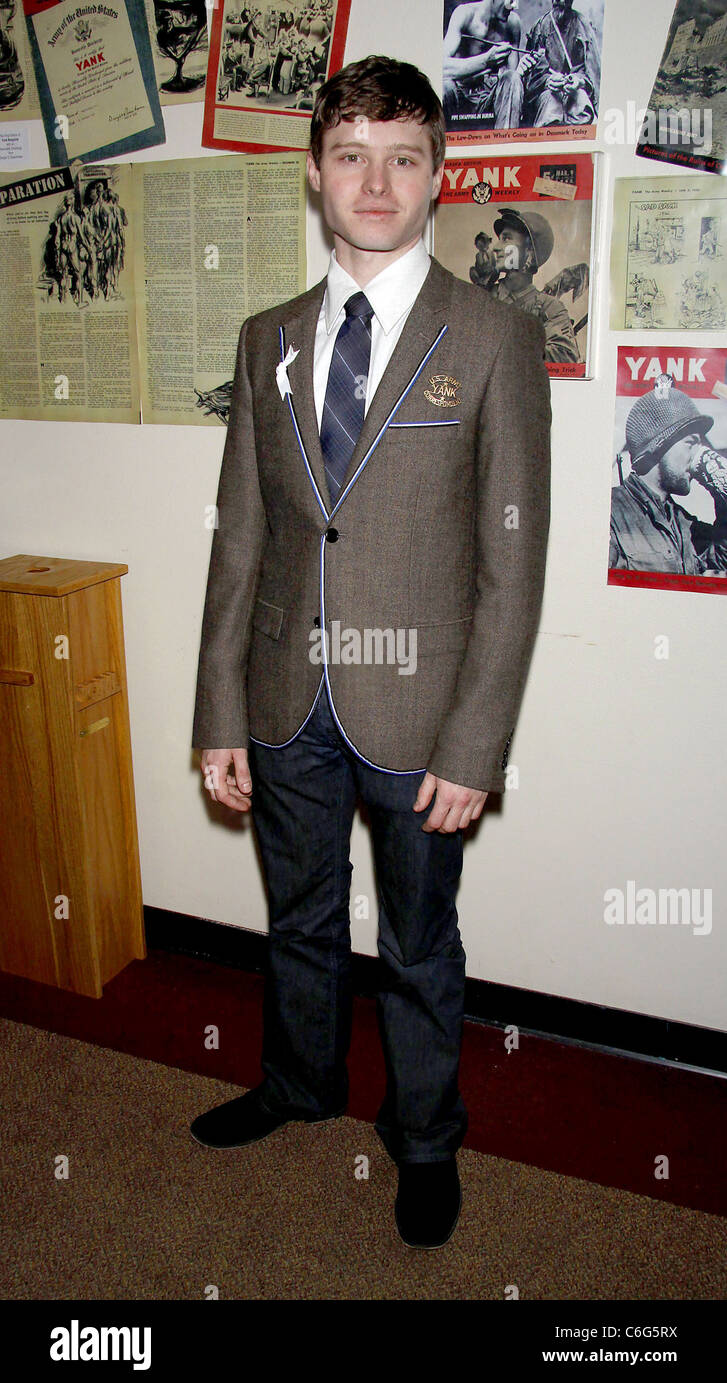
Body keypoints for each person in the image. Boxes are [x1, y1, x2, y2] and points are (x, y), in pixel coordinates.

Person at [190, 54, 551, 1250]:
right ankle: (299, 1083)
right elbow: (241, 539)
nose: (376, 180)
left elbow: (512, 565)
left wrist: (477, 741)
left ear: (438, 174)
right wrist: (216, 714)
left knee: (415, 941)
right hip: (285, 697)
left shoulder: (493, 335)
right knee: (297, 916)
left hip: (422, 712)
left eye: (403, 157)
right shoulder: (267, 340)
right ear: (315, 174)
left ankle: (425, 1136)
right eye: (352, 155)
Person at [610, 380, 727, 575]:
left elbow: (719, 561)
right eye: (692, 443)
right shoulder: (610, 513)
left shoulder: (683, 522)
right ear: (657, 445)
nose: (699, 456)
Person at [486, 205, 580, 363]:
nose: (496, 247)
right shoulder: (481, 298)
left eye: (506, 239)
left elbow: (564, 356)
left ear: (529, 250)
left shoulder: (549, 308)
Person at [443, 0, 524, 129]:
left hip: (490, 97)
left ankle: (506, 142)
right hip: (461, 95)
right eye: (511, 1)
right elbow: (443, 67)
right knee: (444, 85)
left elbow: (512, 74)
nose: (514, 6)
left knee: (513, 78)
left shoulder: (513, 23)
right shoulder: (465, 14)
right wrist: (486, 61)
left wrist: (524, 69)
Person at [520, 0, 600, 129]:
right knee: (551, 107)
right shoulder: (540, 28)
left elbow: (593, 73)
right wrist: (547, 81)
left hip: (575, 89)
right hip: (547, 93)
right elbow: (530, 80)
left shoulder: (585, 27)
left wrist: (579, 81)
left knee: (581, 102)